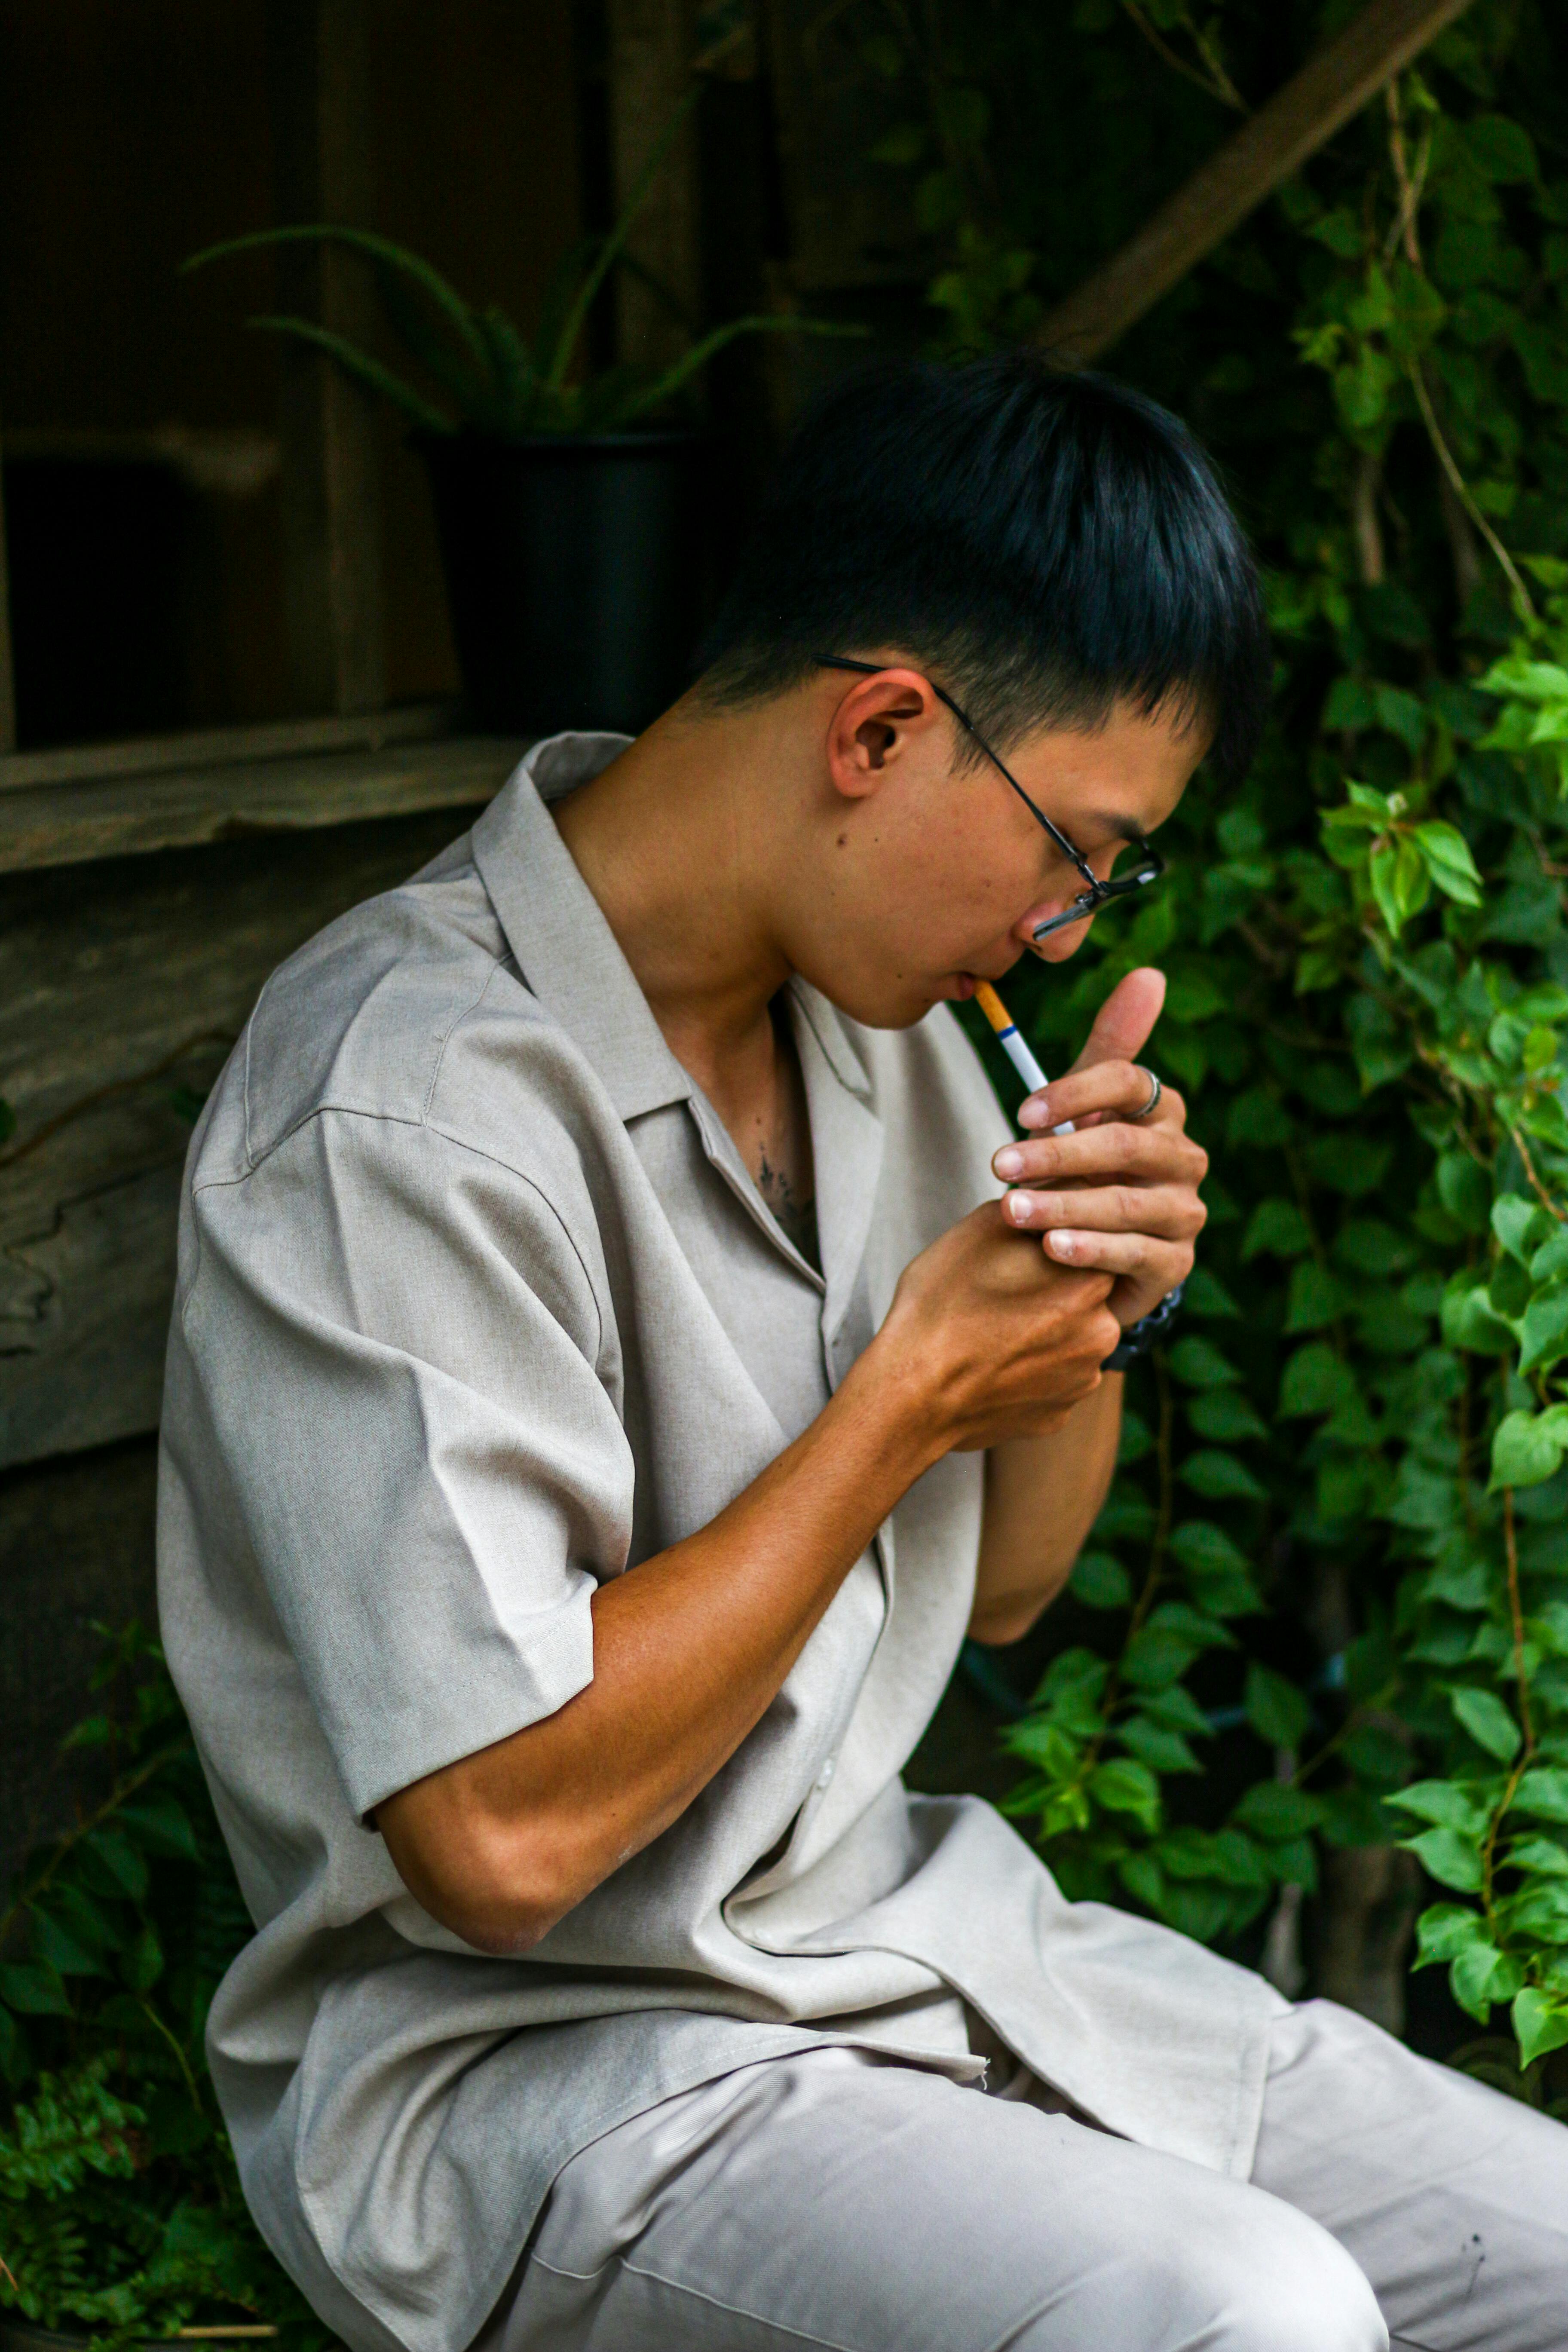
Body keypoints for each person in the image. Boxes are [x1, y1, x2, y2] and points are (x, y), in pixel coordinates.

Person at [157, 356, 1568, 2352]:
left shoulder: (903, 1018)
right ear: (885, 725)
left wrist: (1082, 1292)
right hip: (557, 2081)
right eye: (1077, 847)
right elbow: (499, 1846)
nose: (1072, 928)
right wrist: (905, 1388)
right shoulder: (397, 1103)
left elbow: (1005, 1586)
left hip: (926, 1955)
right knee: (1248, 2319)